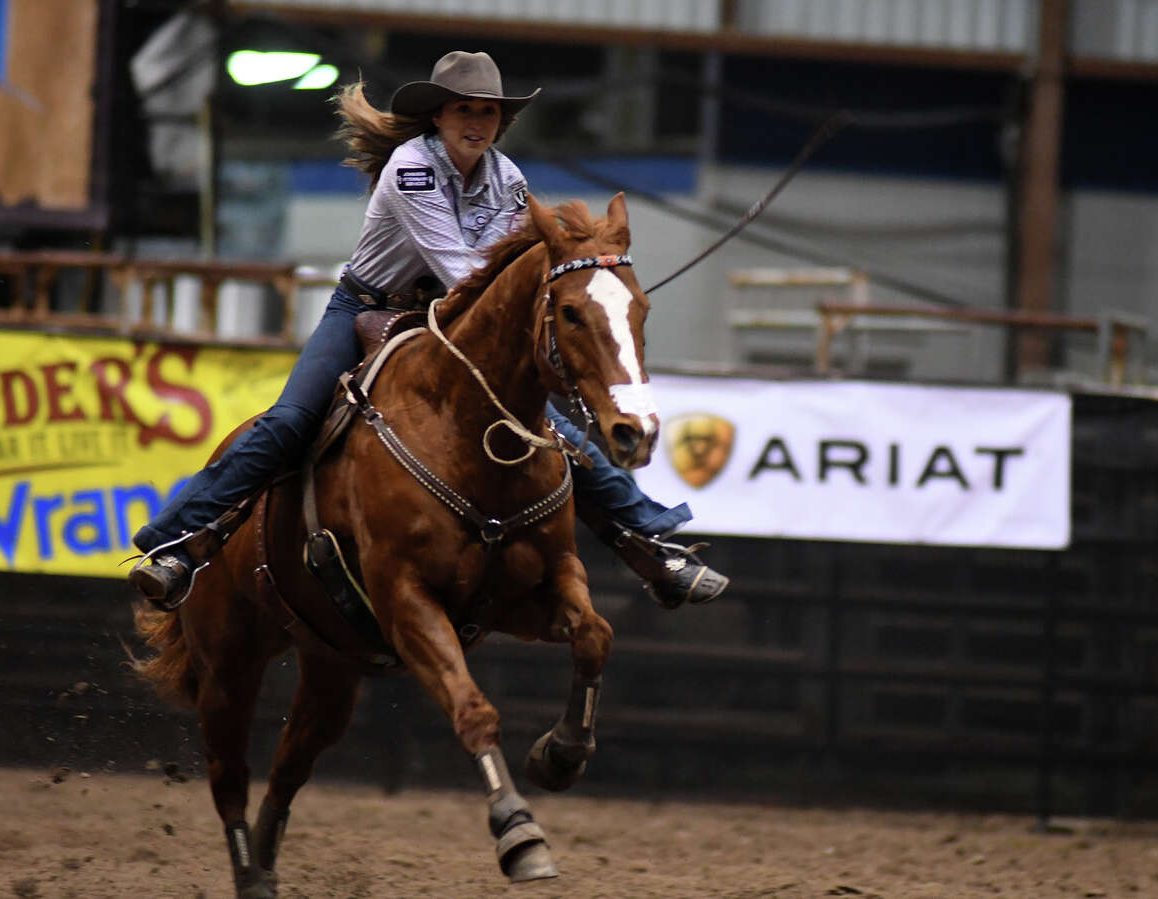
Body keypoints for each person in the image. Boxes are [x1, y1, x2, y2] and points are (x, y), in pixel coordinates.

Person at [130, 50, 728, 613]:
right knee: (290, 421)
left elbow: (496, 272)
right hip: (365, 309)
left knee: (558, 432)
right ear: (438, 114)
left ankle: (653, 546)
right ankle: (177, 545)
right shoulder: (411, 168)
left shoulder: (508, 179)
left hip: (450, 319)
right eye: (464, 109)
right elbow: (466, 271)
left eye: (487, 111)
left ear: (500, 121)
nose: (476, 121)